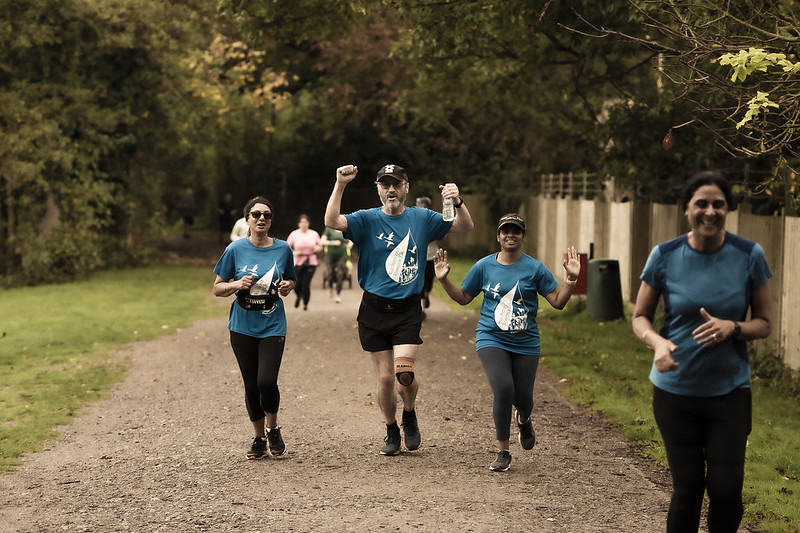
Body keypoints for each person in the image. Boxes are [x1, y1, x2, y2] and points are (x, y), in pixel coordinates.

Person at [632, 171, 772, 532]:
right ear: (686, 210)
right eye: (701, 204)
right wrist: (657, 342)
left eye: (718, 205)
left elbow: (765, 323)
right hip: (675, 391)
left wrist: (734, 327)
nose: (710, 212)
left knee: (727, 492)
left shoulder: (748, 255)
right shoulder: (664, 255)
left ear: (728, 210)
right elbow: (640, 317)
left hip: (730, 392)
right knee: (688, 488)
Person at [324, 163, 474, 456]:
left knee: (403, 373)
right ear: (378, 189)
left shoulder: (423, 218)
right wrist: (340, 184)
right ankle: (392, 428)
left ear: (407, 187)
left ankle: (409, 412)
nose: (391, 189)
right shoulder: (366, 219)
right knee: (384, 377)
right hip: (374, 308)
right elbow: (331, 220)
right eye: (385, 184)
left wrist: (457, 201)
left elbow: (464, 226)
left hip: (407, 308)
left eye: (397, 184)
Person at [433, 213, 580, 471]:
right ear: (498, 236)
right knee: (503, 389)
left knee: (524, 399)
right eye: (505, 231)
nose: (510, 235)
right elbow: (465, 297)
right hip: (491, 337)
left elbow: (557, 302)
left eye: (516, 231)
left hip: (526, 342)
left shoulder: (535, 268)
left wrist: (571, 279)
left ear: (523, 236)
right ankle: (503, 451)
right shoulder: (484, 266)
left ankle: (524, 419)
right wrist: (444, 280)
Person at [212, 196, 298, 460]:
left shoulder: (283, 249)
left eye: (267, 215)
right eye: (256, 214)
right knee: (251, 384)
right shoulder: (235, 249)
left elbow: (291, 279)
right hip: (242, 325)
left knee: (266, 380)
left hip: (272, 322)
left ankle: (273, 428)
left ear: (271, 220)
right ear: (247, 219)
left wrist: (287, 286)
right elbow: (217, 288)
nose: (262, 219)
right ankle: (259, 438)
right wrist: (236, 285)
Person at [286, 214, 322, 311]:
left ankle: (305, 304)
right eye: (302, 222)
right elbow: (287, 247)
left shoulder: (314, 234)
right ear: (298, 224)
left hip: (311, 261)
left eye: (305, 222)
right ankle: (299, 296)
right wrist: (294, 252)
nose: (304, 224)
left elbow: (320, 246)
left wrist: (317, 248)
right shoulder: (294, 234)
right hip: (297, 261)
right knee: (297, 284)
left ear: (309, 224)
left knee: (306, 284)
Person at [415, 196, 438, 320]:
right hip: (419, 256)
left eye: (425, 206)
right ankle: (422, 310)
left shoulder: (433, 219)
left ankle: (427, 295)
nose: (422, 208)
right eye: (420, 206)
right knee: (421, 282)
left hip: (432, 255)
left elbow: (441, 234)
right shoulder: (414, 220)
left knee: (429, 280)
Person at [321, 226, 351, 303]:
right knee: (330, 274)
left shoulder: (344, 229)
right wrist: (332, 242)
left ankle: (338, 294)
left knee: (340, 274)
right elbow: (322, 241)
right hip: (330, 257)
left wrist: (350, 244)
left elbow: (352, 238)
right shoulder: (329, 230)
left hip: (342, 256)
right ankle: (330, 288)